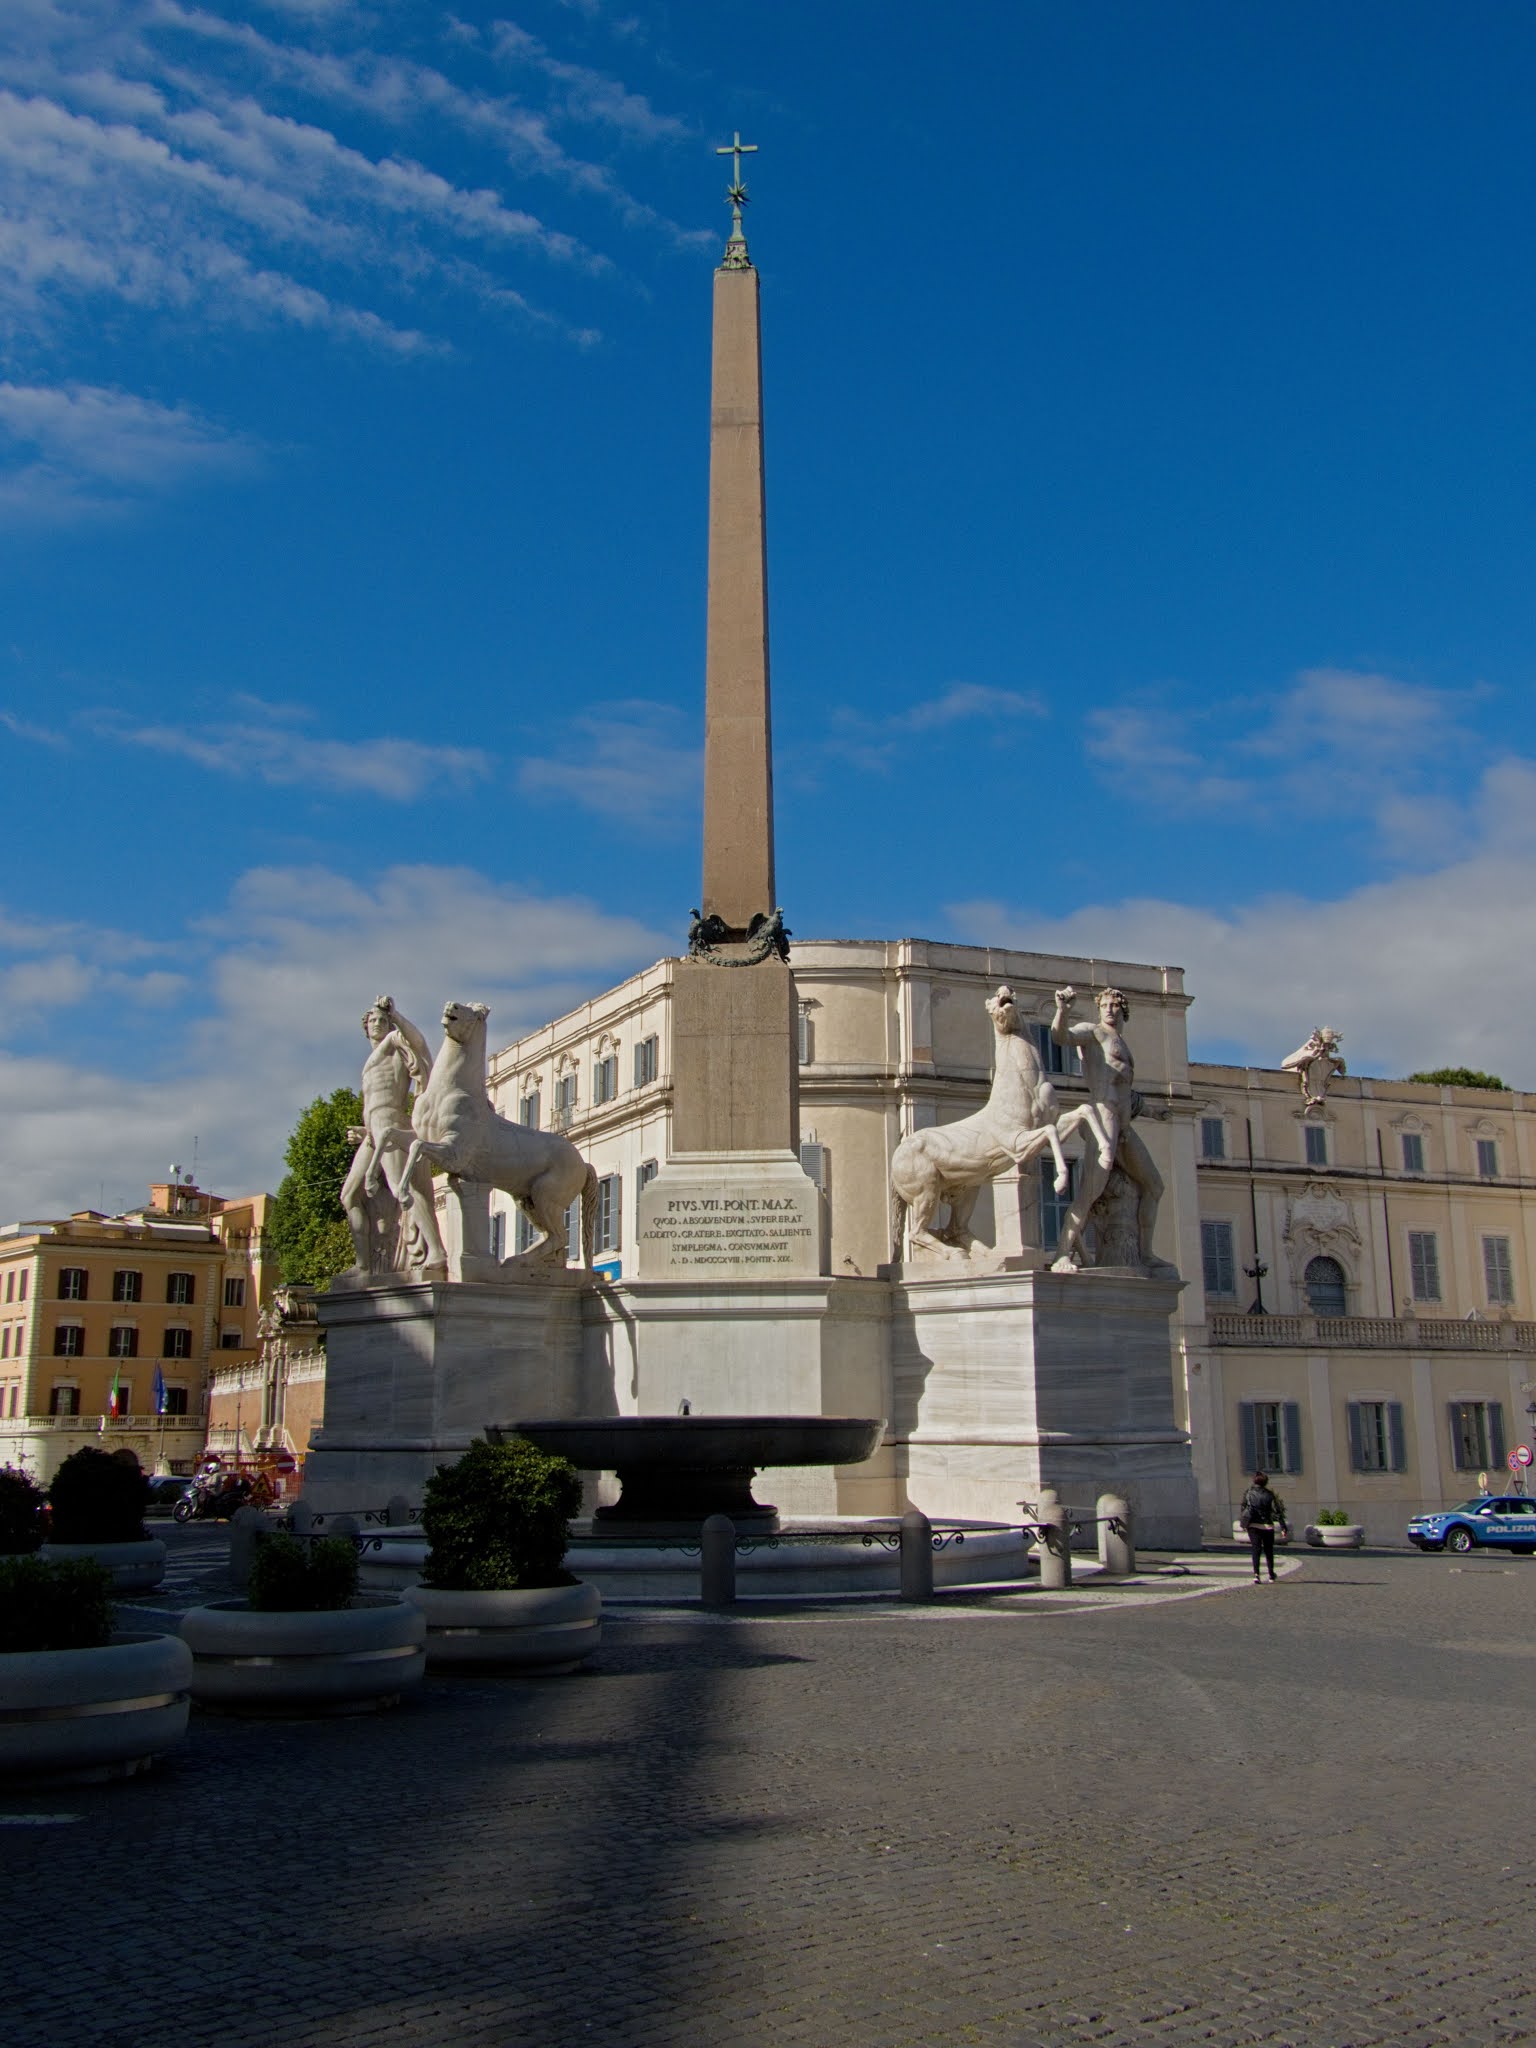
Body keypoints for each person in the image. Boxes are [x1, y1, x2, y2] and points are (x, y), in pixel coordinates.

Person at [1240, 1470, 1286, 1582]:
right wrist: (1283, 1527)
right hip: (1267, 1525)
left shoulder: (1248, 1493)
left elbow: (1243, 1507)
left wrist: (1244, 1522)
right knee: (1268, 1550)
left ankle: (1256, 1574)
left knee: (1256, 1550)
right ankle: (1271, 1574)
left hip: (1253, 1525)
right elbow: (1277, 1511)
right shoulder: (1269, 1494)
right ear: (1266, 1482)